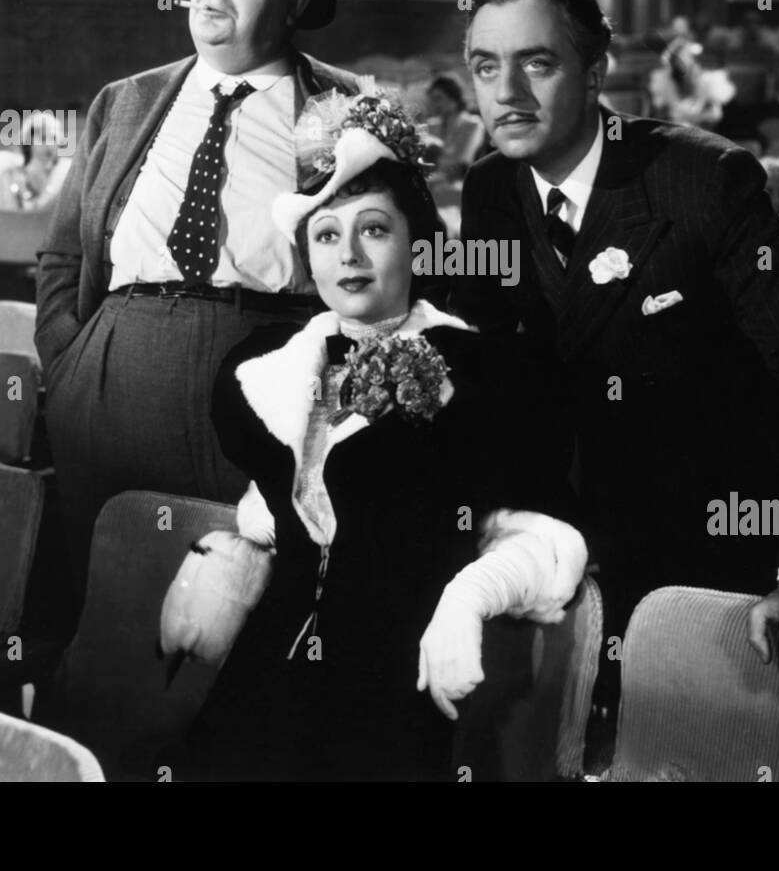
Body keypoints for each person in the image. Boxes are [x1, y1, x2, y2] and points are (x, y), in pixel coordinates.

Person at [451, 0, 779, 727]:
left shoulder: (703, 178)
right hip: (563, 536)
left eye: (537, 63)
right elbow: (477, 355)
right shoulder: (489, 189)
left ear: (595, 72)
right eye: (486, 66)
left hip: (711, 541)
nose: (506, 90)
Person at [194, 101, 584, 781]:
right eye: (325, 235)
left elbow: (542, 537)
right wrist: (226, 556)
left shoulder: (485, 371)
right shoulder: (271, 366)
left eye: (373, 230)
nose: (347, 255)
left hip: (393, 683)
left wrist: (466, 598)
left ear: (416, 243)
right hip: (267, 673)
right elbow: (279, 506)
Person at [35, 0, 358, 597]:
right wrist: (67, 359)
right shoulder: (125, 102)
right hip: (110, 383)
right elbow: (61, 251)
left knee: (239, 625)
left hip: (262, 388)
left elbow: (393, 275)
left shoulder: (348, 109)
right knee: (105, 612)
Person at [0, 110, 73, 219]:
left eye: (54, 139)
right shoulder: (10, 176)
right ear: (28, 141)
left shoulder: (65, 174)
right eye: (42, 138)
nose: (49, 144)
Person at [424, 75, 485, 181]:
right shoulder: (431, 126)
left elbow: (463, 164)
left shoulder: (473, 124)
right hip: (432, 182)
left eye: (438, 98)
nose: (435, 104)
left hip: (460, 184)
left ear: (454, 98)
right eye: (432, 99)